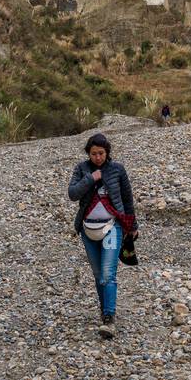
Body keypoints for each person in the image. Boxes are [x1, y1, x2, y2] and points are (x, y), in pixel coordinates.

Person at [68, 132, 137, 338]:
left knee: (108, 274)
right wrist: (91, 178)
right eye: (93, 154)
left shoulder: (117, 170)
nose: (97, 157)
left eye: (101, 153)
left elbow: (127, 198)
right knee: (98, 275)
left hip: (113, 227)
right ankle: (104, 309)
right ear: (88, 153)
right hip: (87, 229)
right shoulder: (82, 169)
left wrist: (132, 224)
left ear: (107, 152)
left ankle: (109, 318)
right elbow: (72, 194)